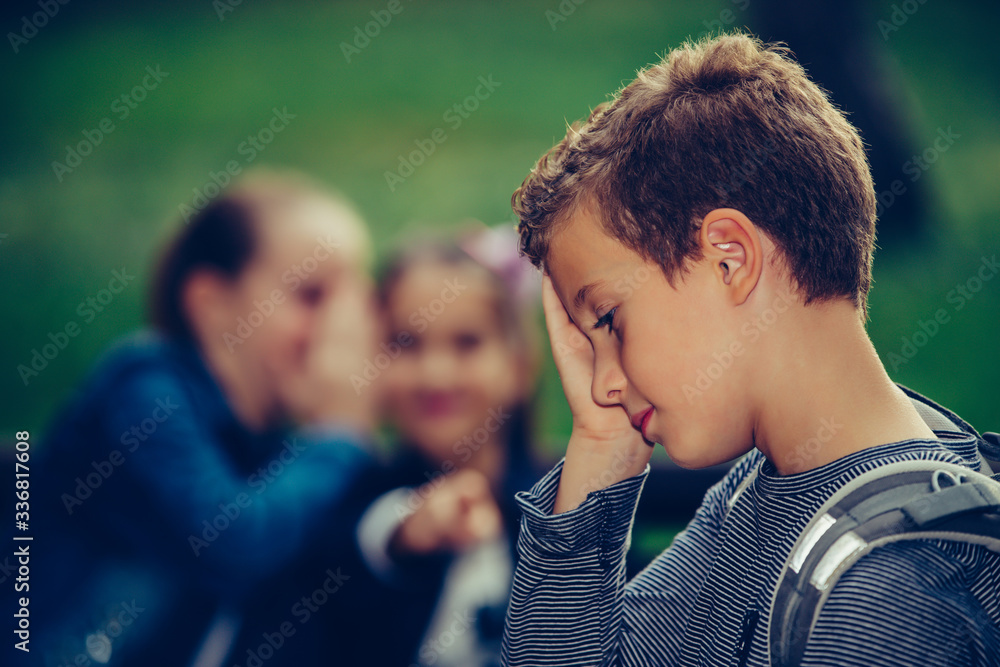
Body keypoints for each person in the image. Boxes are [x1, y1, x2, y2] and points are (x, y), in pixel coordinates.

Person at [499, 33, 1000, 666]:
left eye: (610, 320)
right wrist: (603, 446)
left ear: (729, 258)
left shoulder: (889, 595)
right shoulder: (761, 488)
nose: (602, 386)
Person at [29, 170, 381, 666]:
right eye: (312, 296)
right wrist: (339, 434)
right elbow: (231, 541)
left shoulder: (274, 438)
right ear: (212, 304)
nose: (339, 329)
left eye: (354, 303)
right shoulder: (145, 387)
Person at [328, 226, 541, 666]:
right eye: (407, 343)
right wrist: (415, 532)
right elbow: (375, 537)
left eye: (467, 342)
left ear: (519, 365)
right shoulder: (351, 496)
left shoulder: (563, 511)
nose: (436, 374)